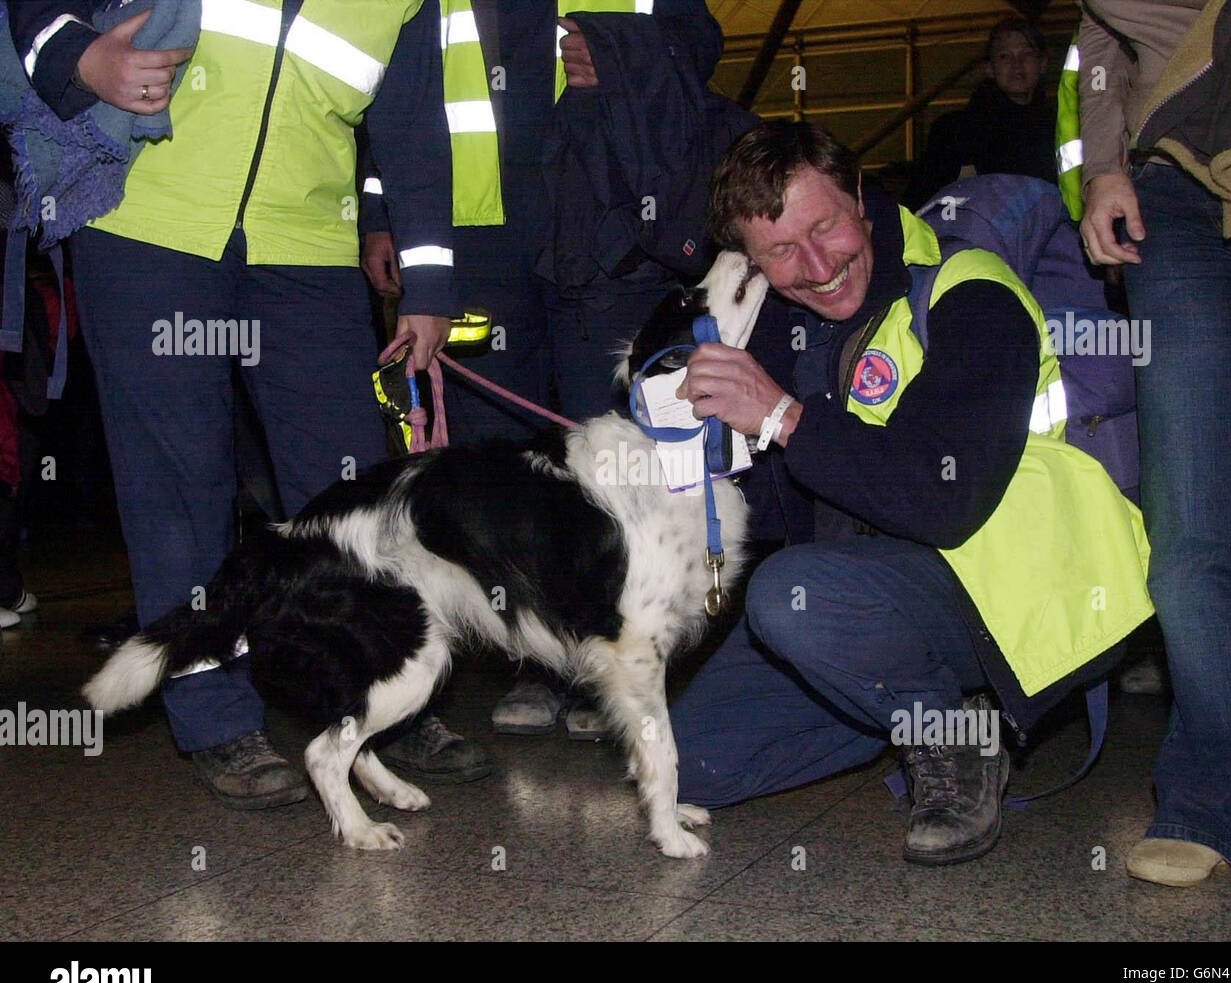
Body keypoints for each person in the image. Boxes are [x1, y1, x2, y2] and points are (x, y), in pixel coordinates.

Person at [10, 0, 487, 807]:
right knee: (180, 487)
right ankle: (212, 713)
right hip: (150, 227)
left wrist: (430, 281)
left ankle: (381, 699)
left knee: (353, 497)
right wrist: (79, 59)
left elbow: (412, 127)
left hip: (307, 247)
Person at [667, 120, 1151, 865]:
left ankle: (950, 736)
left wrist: (784, 416)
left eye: (824, 227)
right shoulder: (786, 328)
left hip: (1017, 584)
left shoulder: (968, 288)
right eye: (781, 253)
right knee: (685, 762)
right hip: (874, 601)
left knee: (789, 593)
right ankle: (903, 704)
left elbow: (943, 499)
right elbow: (783, 514)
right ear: (753, 264)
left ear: (861, 198)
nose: (817, 265)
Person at [359, 0, 730, 741]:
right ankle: (533, 657)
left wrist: (631, 48)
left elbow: (700, 36)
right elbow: (390, 79)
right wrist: (378, 212)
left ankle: (614, 659)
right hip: (476, 230)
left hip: (607, 212)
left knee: (616, 450)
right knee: (499, 456)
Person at [1078, 0, 1231, 885]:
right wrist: (1103, 167)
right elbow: (1100, 39)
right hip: (1176, 191)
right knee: (1190, 535)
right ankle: (1213, 798)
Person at [907, 17, 1057, 209]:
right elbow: (923, 199)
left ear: (1043, 63)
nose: (1017, 65)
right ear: (989, 68)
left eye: (1026, 54)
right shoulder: (954, 132)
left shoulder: (1060, 129)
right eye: (1005, 56)